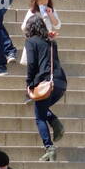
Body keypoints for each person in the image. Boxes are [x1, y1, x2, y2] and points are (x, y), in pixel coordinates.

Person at [22, 14, 66, 161]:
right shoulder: (51, 42)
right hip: (60, 82)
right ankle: (55, 122)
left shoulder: (31, 42)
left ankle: (49, 147)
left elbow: (32, 64)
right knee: (41, 108)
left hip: (46, 83)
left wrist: (29, 84)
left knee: (39, 117)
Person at [19, 0, 62, 64]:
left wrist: (50, 15)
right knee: (33, 63)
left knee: (45, 63)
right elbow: (24, 27)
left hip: (46, 41)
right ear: (35, 0)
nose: (43, 2)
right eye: (40, 0)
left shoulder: (51, 10)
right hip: (34, 42)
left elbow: (57, 25)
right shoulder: (32, 11)